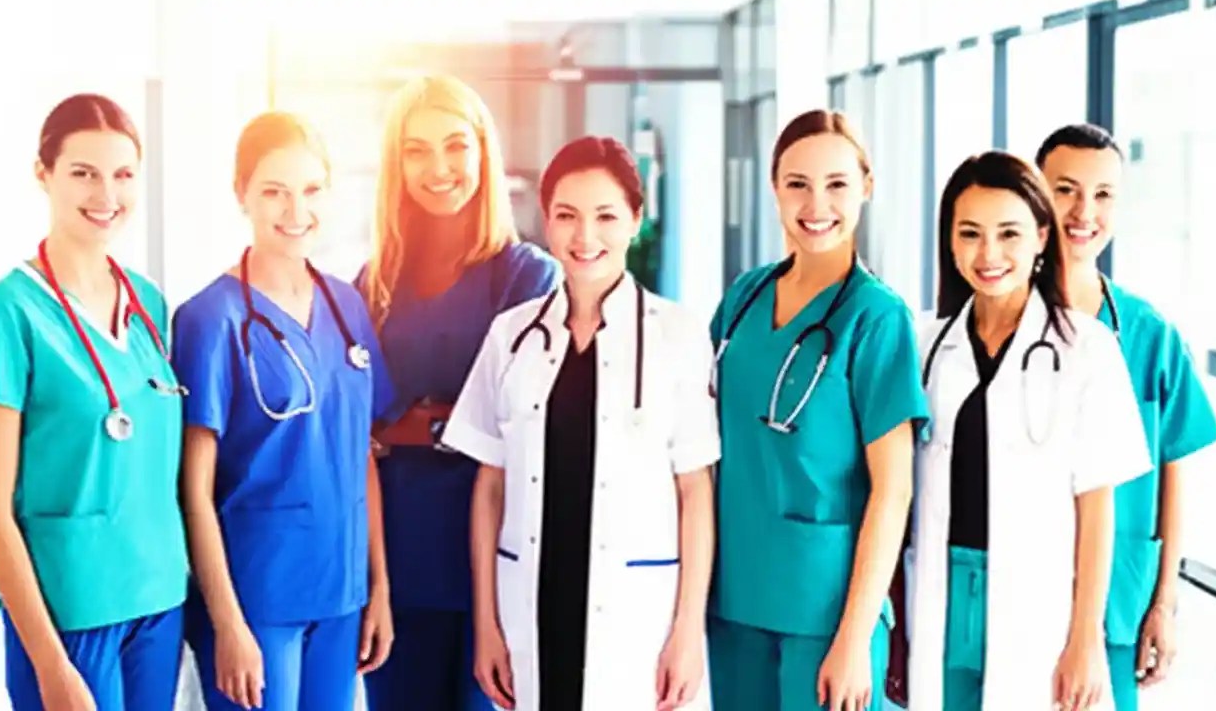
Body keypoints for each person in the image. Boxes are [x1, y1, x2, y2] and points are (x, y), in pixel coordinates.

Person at [441, 135, 717, 711]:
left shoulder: (677, 335)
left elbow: (695, 492)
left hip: (637, 617)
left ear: (636, 222)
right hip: (532, 606)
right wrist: (489, 625)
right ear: (546, 221)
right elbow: (489, 487)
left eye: (606, 216)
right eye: (566, 216)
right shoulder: (511, 335)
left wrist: (688, 632)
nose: (584, 237)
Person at [0, 93, 188, 710]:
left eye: (122, 174)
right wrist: (49, 662)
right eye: (83, 172)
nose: (105, 193)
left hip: (158, 598)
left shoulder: (148, 303)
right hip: (70, 610)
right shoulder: (6, 314)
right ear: (43, 174)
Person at [907, 150, 1151, 710]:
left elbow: (1096, 506)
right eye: (970, 233)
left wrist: (1086, 636)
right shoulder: (925, 346)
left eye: (1009, 234)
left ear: (1042, 236)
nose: (989, 254)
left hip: (1037, 608)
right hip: (940, 599)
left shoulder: (1087, 349)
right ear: (949, 240)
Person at [170, 112, 394, 711]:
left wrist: (380, 588)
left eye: (311, 190)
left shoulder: (346, 306)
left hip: (341, 594)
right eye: (274, 191)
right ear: (241, 194)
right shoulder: (210, 320)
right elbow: (194, 491)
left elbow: (360, 458)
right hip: (258, 598)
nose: (296, 210)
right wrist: (228, 624)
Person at [707, 109, 928, 711]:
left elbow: (893, 490)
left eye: (836, 184)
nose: (816, 204)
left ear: (866, 187)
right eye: (797, 183)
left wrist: (856, 637)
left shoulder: (877, 318)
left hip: (825, 612)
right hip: (732, 598)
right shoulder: (744, 297)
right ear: (775, 188)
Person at [357, 74, 560, 711]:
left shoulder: (527, 275)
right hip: (400, 560)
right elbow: (358, 428)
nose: (438, 167)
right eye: (415, 150)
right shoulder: (374, 282)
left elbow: (523, 421)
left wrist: (416, 427)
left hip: (495, 563)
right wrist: (448, 425)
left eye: (454, 145)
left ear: (483, 153)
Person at [1036, 124, 1216, 710]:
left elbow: (1172, 475)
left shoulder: (1149, 335)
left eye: (1104, 194)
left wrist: (1165, 602)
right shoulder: (992, 321)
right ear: (1035, 192)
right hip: (1010, 591)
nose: (1084, 211)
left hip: (1117, 604)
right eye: (1065, 190)